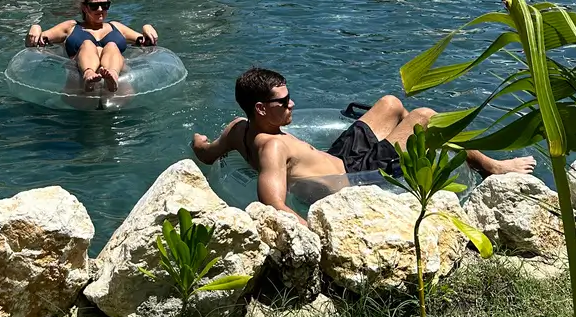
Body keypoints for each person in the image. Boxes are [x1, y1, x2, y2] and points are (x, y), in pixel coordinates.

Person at [191, 67, 536, 220]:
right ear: (261, 108)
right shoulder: (273, 148)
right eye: (284, 102)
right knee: (427, 116)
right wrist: (313, 233)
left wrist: (198, 142)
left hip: (337, 157)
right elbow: (273, 203)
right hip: (355, 178)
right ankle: (490, 166)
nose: (292, 104)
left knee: (390, 104)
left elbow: (207, 153)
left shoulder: (238, 128)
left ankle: (409, 140)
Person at [26, 0, 158, 92]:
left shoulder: (117, 27)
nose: (100, 9)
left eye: (105, 5)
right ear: (84, 7)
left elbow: (147, 41)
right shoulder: (71, 27)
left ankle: (112, 76)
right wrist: (35, 27)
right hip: (79, 89)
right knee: (88, 44)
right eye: (94, 6)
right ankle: (88, 74)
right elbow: (32, 42)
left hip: (119, 88)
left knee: (112, 46)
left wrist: (147, 27)